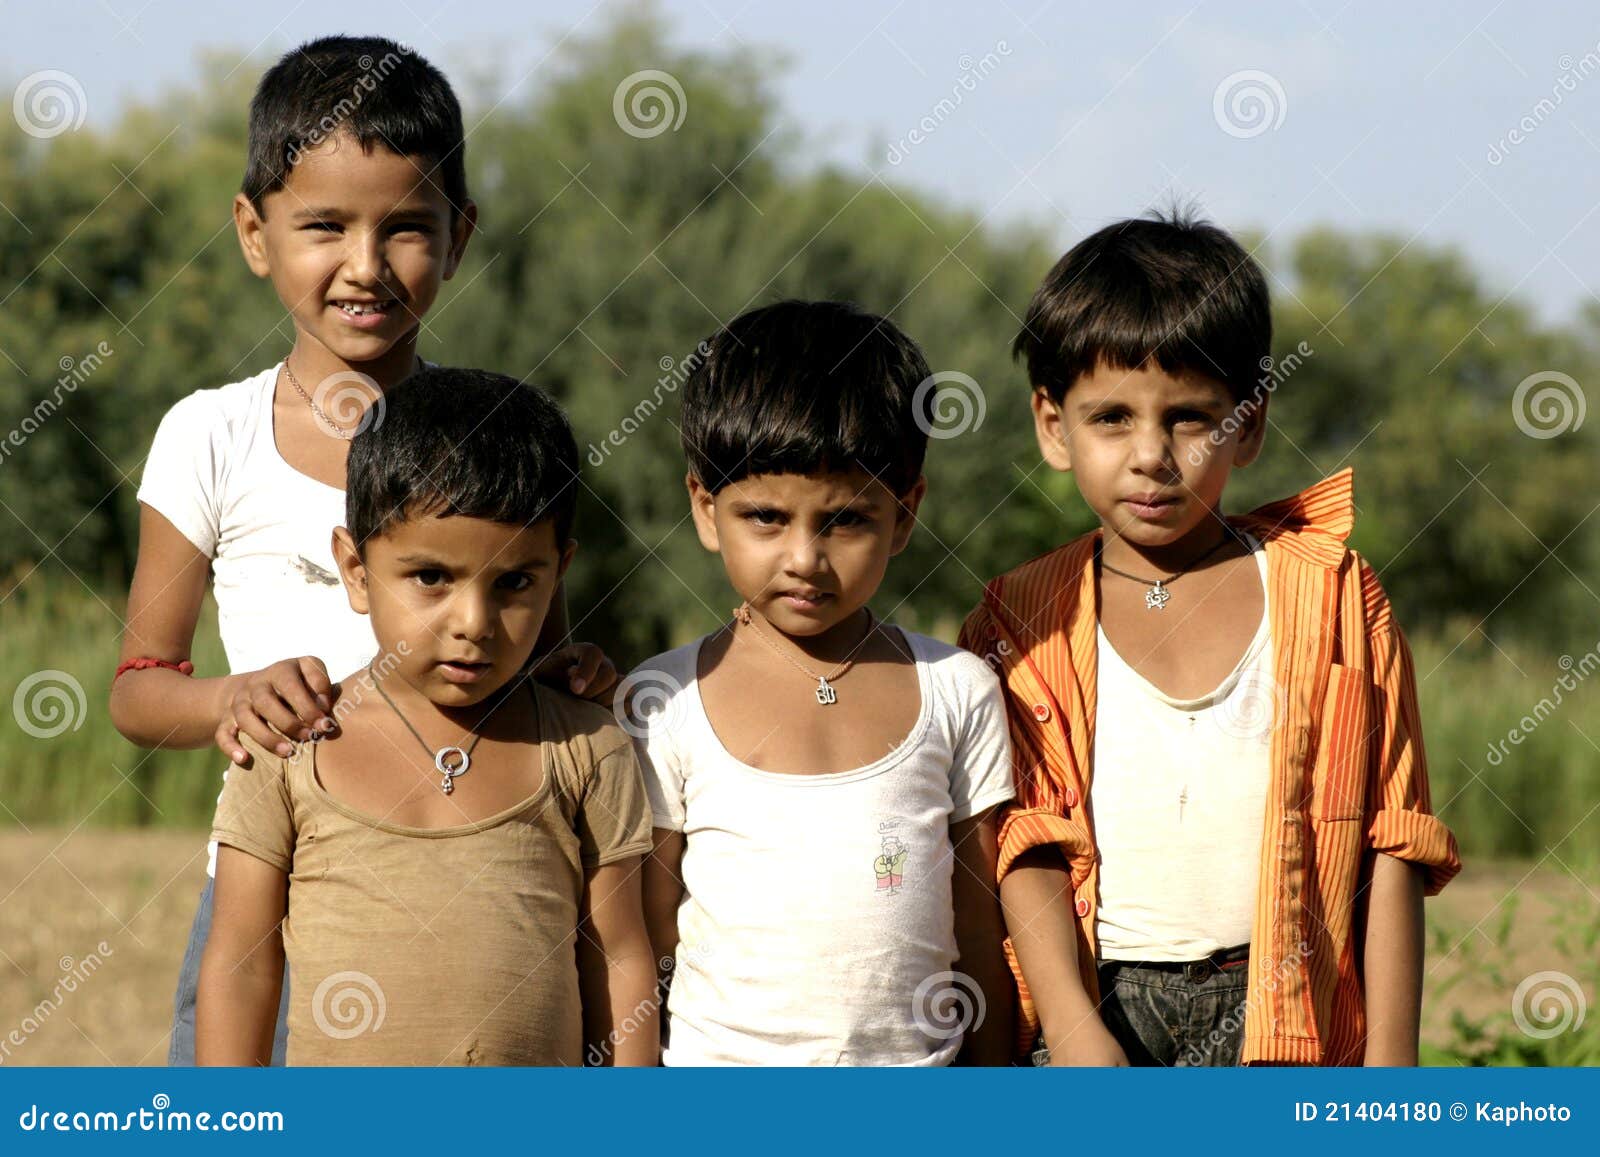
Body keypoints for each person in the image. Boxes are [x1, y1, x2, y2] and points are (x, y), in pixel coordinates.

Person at [109, 35, 612, 1065]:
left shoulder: (495, 440)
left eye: (408, 228)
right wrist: (230, 699)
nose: (365, 266)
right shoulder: (210, 435)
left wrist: (576, 676)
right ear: (255, 232)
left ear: (461, 236)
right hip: (274, 884)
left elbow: (537, 652)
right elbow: (137, 689)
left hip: (480, 877)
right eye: (324, 226)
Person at [959, 210, 1462, 1066]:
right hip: (1098, 1015)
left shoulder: (1335, 594)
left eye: (1192, 418)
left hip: (1293, 1018)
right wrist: (1079, 1035)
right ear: (1053, 426)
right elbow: (1024, 849)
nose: (1151, 454)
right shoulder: (1020, 622)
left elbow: (1392, 839)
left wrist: (1393, 1076)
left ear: (1250, 423)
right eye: (1110, 417)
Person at [195, 368, 656, 1066]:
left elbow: (617, 958)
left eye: (515, 582)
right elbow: (240, 966)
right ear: (355, 568)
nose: (473, 623)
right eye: (431, 578)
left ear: (559, 571)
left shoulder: (586, 746)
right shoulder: (290, 744)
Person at [635, 300, 1015, 1066]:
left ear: (904, 515)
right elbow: (641, 946)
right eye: (766, 517)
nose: (805, 557)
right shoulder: (662, 703)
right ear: (707, 510)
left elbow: (979, 930)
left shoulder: (959, 690)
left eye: (845, 520)